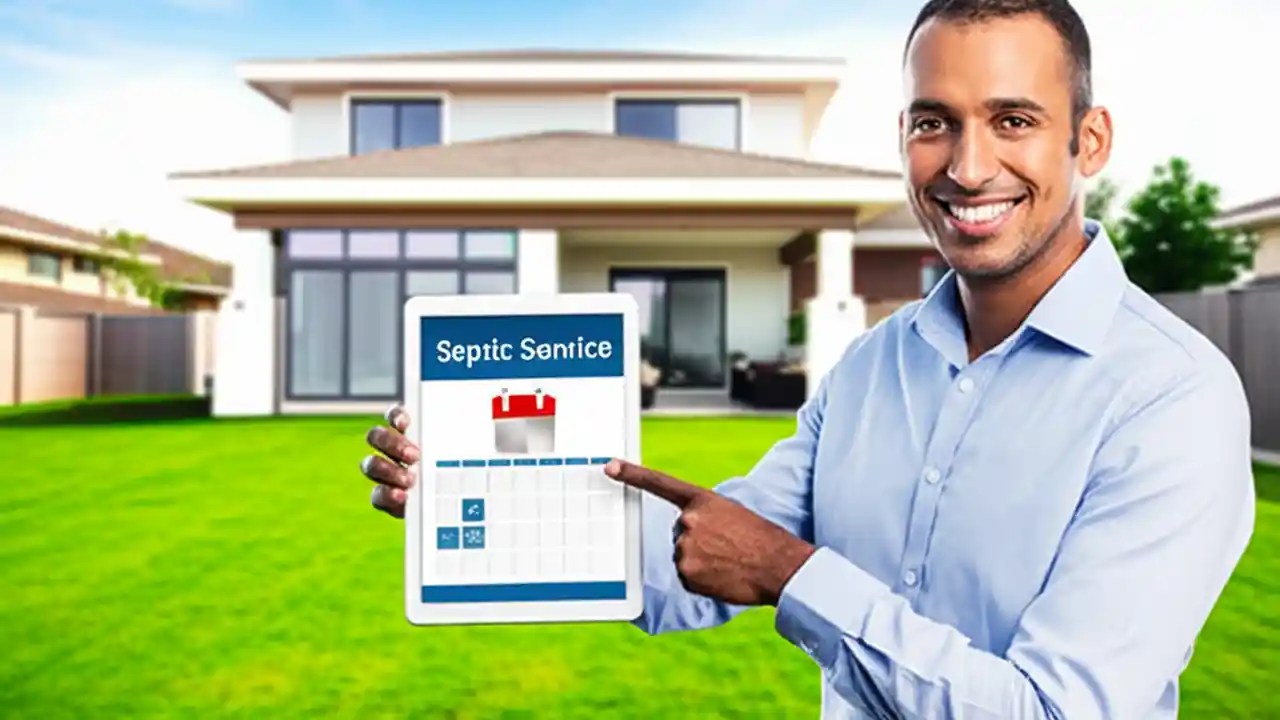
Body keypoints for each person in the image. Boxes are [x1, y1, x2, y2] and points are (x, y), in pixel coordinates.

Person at [360, 0, 1256, 716]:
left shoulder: (1170, 400)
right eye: (934, 123)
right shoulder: (872, 370)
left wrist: (793, 577)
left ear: (1088, 139)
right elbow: (702, 556)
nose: (968, 165)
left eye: (1013, 119)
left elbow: (1056, 712)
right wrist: (481, 497)